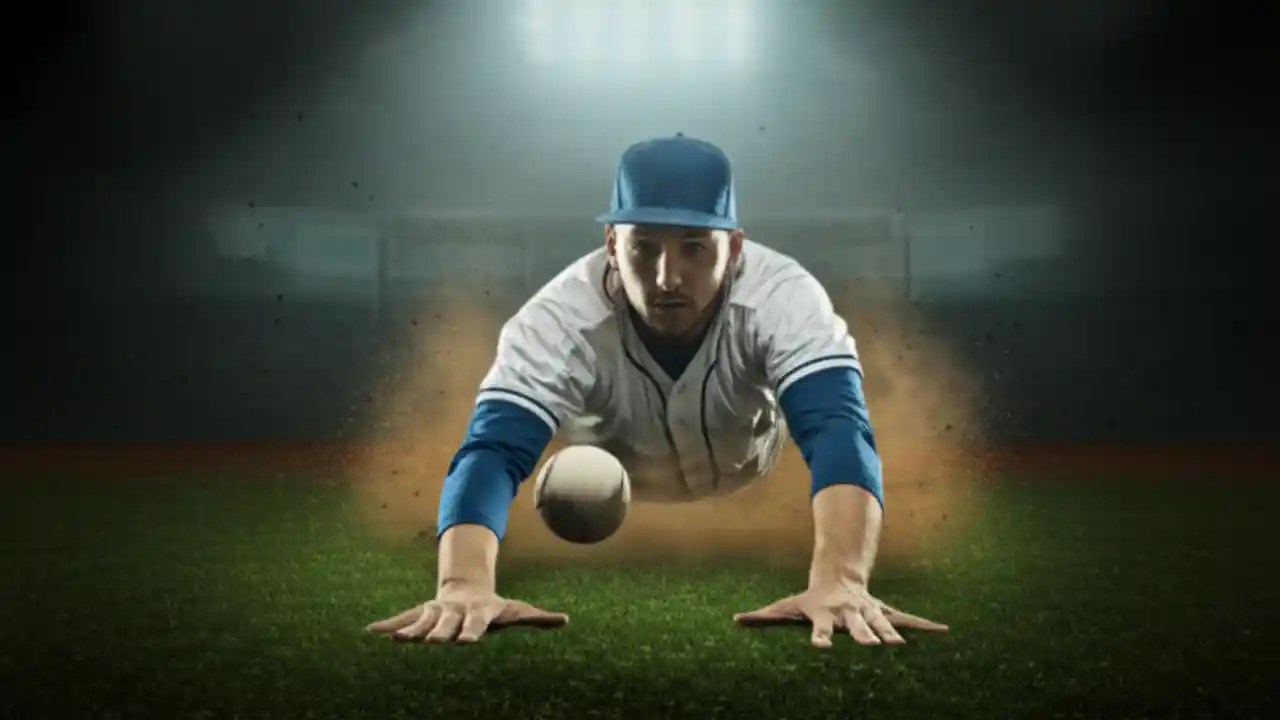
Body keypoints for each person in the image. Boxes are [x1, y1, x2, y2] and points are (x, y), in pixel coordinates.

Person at [366, 134, 949, 649]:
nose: (668, 277)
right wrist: (463, 584)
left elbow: (836, 427)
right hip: (607, 463)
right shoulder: (557, 317)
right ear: (612, 244)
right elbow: (494, 449)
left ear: (736, 247)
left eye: (695, 246)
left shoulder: (783, 296)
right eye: (645, 246)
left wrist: (842, 580)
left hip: (752, 461)